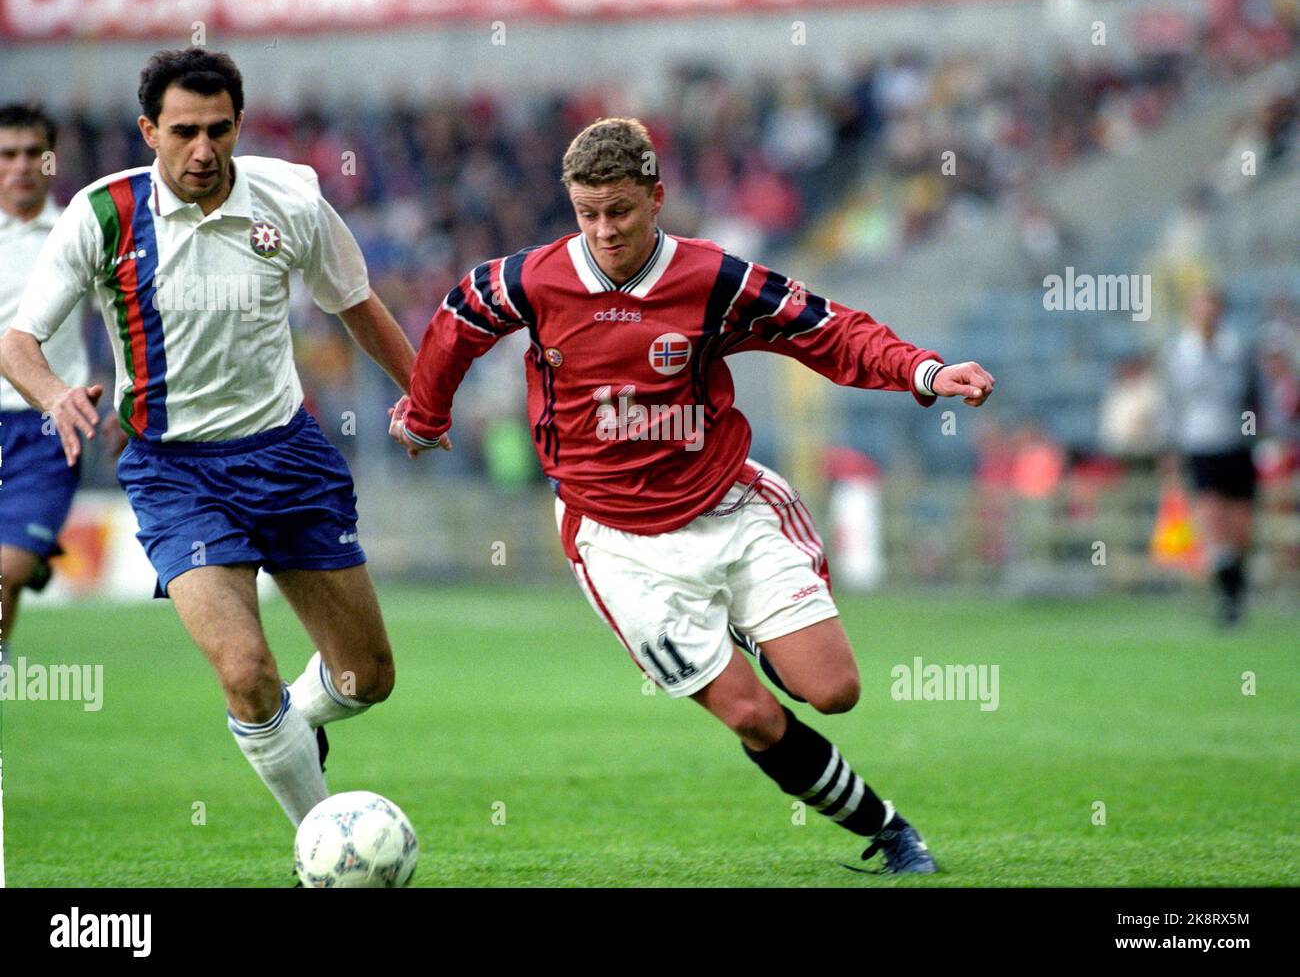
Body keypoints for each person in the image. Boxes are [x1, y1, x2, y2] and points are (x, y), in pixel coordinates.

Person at [390, 117, 995, 874]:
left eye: (621, 210)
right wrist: (424, 414)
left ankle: (749, 625)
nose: (604, 230)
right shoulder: (532, 280)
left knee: (833, 689)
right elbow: (457, 318)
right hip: (616, 543)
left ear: (656, 197)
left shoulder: (715, 280)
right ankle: (892, 830)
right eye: (587, 214)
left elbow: (828, 330)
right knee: (751, 714)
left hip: (727, 505)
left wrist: (926, 372)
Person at [0, 49, 417, 836]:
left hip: (287, 454)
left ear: (239, 126)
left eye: (219, 130)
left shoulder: (289, 197)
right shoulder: (100, 215)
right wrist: (53, 396)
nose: (203, 150)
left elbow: (355, 301)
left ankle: (295, 720)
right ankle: (323, 844)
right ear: (148, 130)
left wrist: (423, 394)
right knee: (244, 672)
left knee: (369, 676)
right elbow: (19, 341)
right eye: (183, 131)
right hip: (174, 470)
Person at [0, 103, 95, 649]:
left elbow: (120, 320)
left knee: (4, 572)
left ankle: (25, 558)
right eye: (7, 154)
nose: (20, 166)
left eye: (33, 153)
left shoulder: (75, 231)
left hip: (44, 427)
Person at [1161, 286, 1260, 627]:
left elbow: (1253, 396)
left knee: (1241, 525)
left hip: (1236, 443)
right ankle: (1228, 597)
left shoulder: (1237, 350)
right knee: (1212, 519)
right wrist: (1171, 447)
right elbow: (1172, 403)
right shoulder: (1180, 353)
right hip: (1200, 445)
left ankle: (1236, 583)